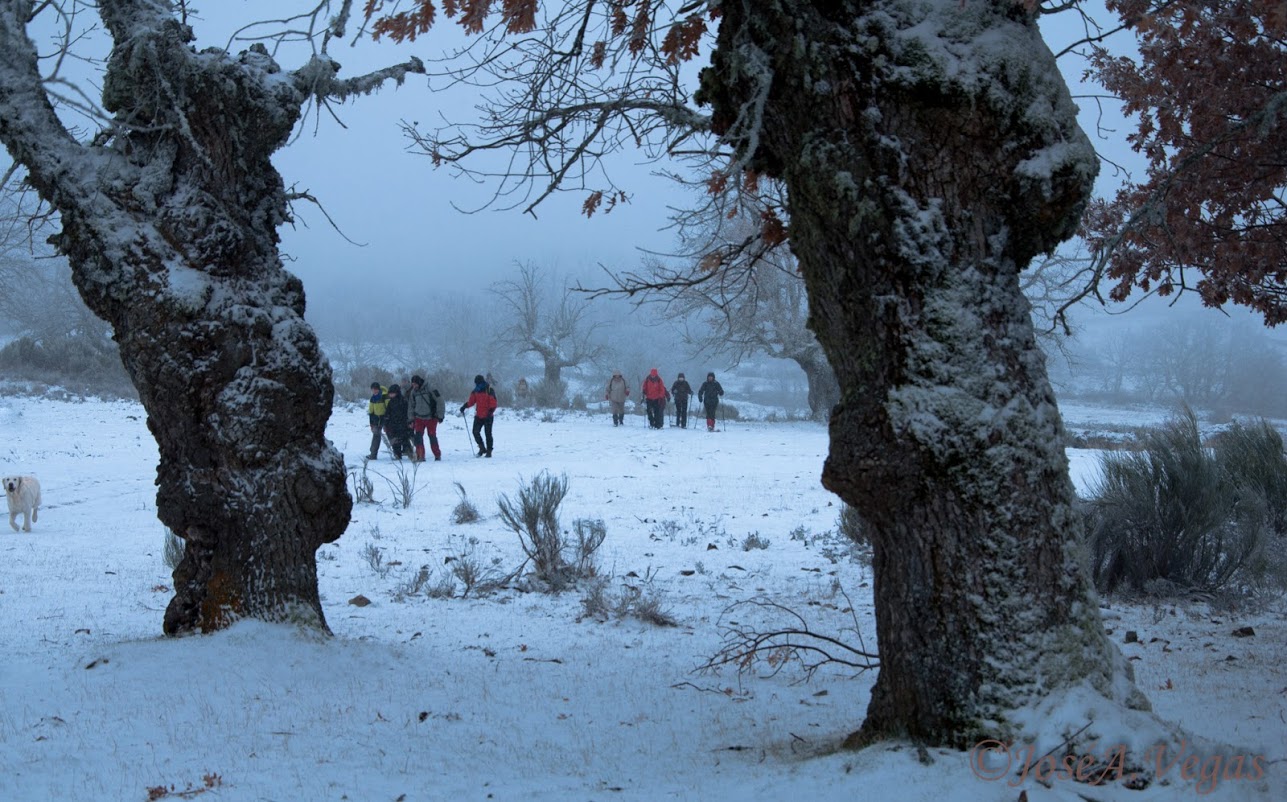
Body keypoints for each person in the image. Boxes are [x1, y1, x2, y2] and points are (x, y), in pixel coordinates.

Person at [407, 375, 444, 462]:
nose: (414, 386)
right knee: (418, 437)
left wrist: (440, 415)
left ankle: (437, 455)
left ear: (419, 383)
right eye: (413, 384)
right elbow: (411, 406)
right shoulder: (413, 392)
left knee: (432, 436)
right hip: (418, 418)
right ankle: (420, 456)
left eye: (415, 384)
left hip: (431, 418)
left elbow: (440, 401)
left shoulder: (430, 388)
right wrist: (411, 419)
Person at [460, 373, 498, 457]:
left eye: (477, 383)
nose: (477, 384)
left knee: (487, 434)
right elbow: (471, 402)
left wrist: (490, 412)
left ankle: (488, 451)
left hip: (488, 416)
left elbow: (493, 403)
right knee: (475, 432)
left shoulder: (489, 390)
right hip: (479, 415)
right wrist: (464, 406)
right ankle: (482, 449)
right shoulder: (476, 391)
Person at [383, 383, 411, 459]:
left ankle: (410, 454)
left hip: (402, 424)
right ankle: (397, 454)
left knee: (405, 439)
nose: (391, 395)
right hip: (392, 425)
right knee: (395, 441)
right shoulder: (390, 402)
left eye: (392, 393)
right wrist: (386, 423)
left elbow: (407, 413)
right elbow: (387, 413)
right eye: (390, 394)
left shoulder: (403, 401)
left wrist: (408, 422)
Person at [366, 381, 389, 460]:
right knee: (376, 436)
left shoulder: (385, 396)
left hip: (385, 419)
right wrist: (371, 423)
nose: (374, 391)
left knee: (391, 435)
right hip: (376, 420)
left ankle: (397, 452)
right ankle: (373, 454)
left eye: (376, 389)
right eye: (373, 389)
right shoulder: (372, 398)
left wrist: (387, 419)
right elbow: (371, 411)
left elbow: (388, 408)